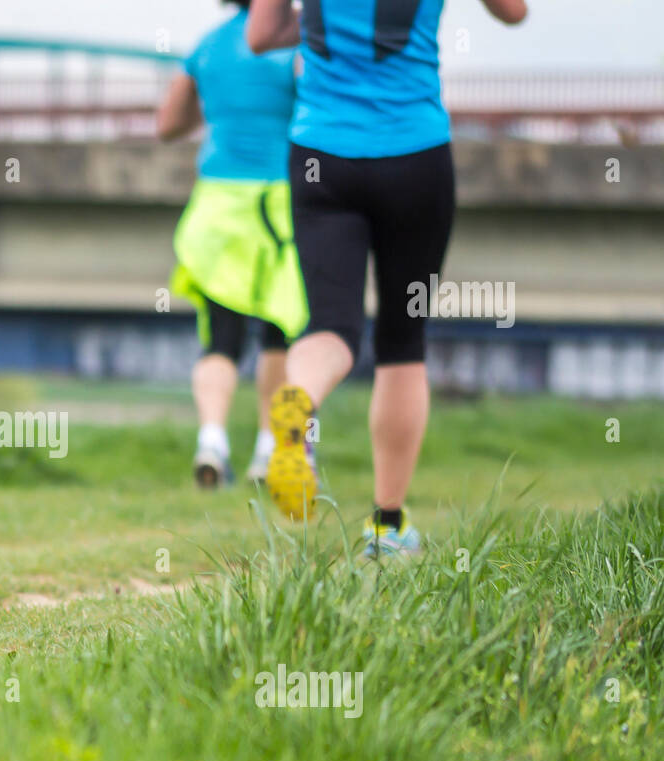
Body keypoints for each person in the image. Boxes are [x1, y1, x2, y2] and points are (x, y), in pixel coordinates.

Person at [247, 0, 527, 555]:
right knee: (403, 342)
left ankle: (297, 403)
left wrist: (317, 29)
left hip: (320, 155)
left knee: (330, 326)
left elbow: (260, 35)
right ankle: (387, 525)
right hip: (414, 153)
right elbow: (513, 12)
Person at [158, 0, 308, 489]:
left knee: (220, 339)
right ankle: (270, 450)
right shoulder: (298, 40)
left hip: (216, 205)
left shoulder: (208, 46)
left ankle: (212, 441)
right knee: (277, 331)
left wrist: (226, 108)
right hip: (278, 205)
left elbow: (168, 125)